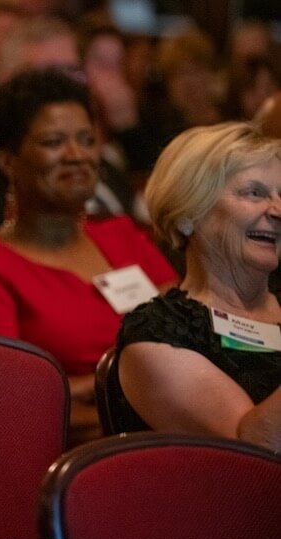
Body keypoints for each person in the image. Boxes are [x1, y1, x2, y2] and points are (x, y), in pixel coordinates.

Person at [0, 69, 177, 444]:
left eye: (87, 139)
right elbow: (12, 404)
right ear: (7, 160)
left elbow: (188, 332)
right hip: (83, 459)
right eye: (54, 141)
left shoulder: (122, 236)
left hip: (172, 428)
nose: (77, 155)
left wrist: (86, 385)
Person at [117, 122, 281, 452]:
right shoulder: (158, 334)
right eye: (254, 193)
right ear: (188, 213)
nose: (278, 210)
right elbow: (252, 452)